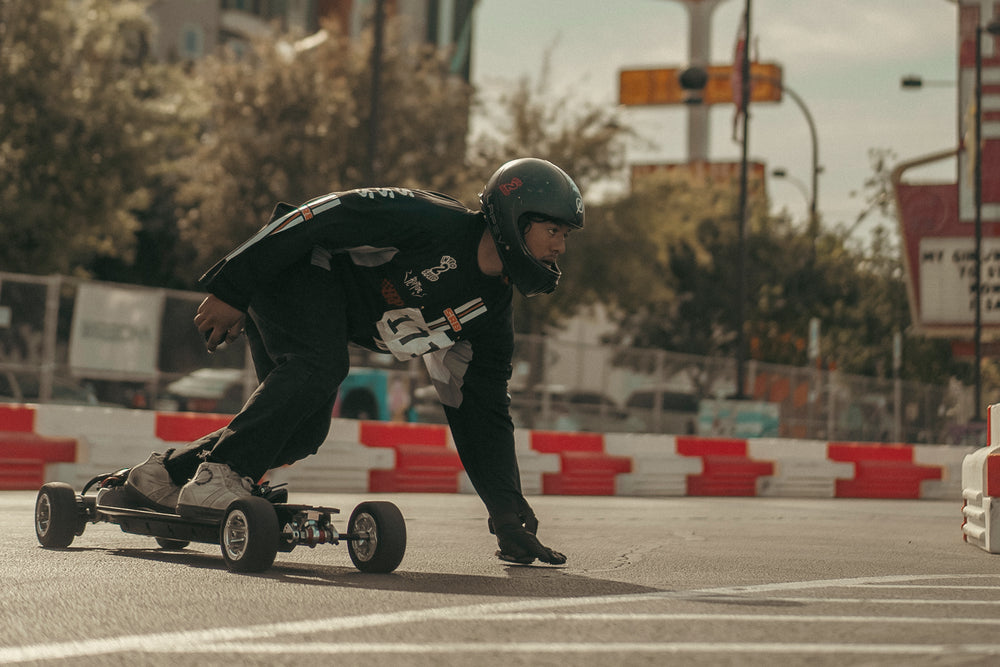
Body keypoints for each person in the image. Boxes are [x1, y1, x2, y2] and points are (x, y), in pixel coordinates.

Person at [125, 157, 584, 565]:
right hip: (293, 263)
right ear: (513, 219)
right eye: (553, 231)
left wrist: (506, 513)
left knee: (301, 432)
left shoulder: (490, 312)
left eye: (564, 235)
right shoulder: (430, 221)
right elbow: (318, 214)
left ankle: (164, 472)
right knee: (320, 367)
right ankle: (217, 476)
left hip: (325, 310)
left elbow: (482, 412)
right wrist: (233, 286)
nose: (560, 247)